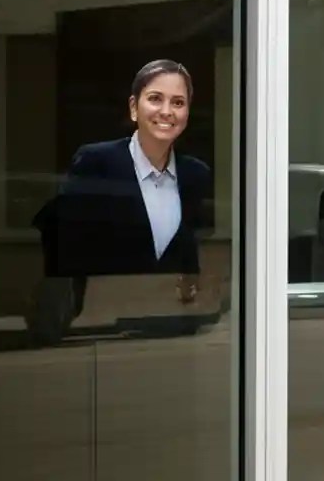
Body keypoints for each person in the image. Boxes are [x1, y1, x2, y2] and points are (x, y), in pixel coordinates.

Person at [29, 59, 213, 342]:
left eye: (178, 102)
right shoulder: (97, 162)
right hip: (101, 330)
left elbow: (190, 248)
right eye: (155, 99)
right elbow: (65, 245)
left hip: (171, 328)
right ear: (133, 107)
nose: (166, 111)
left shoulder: (195, 174)